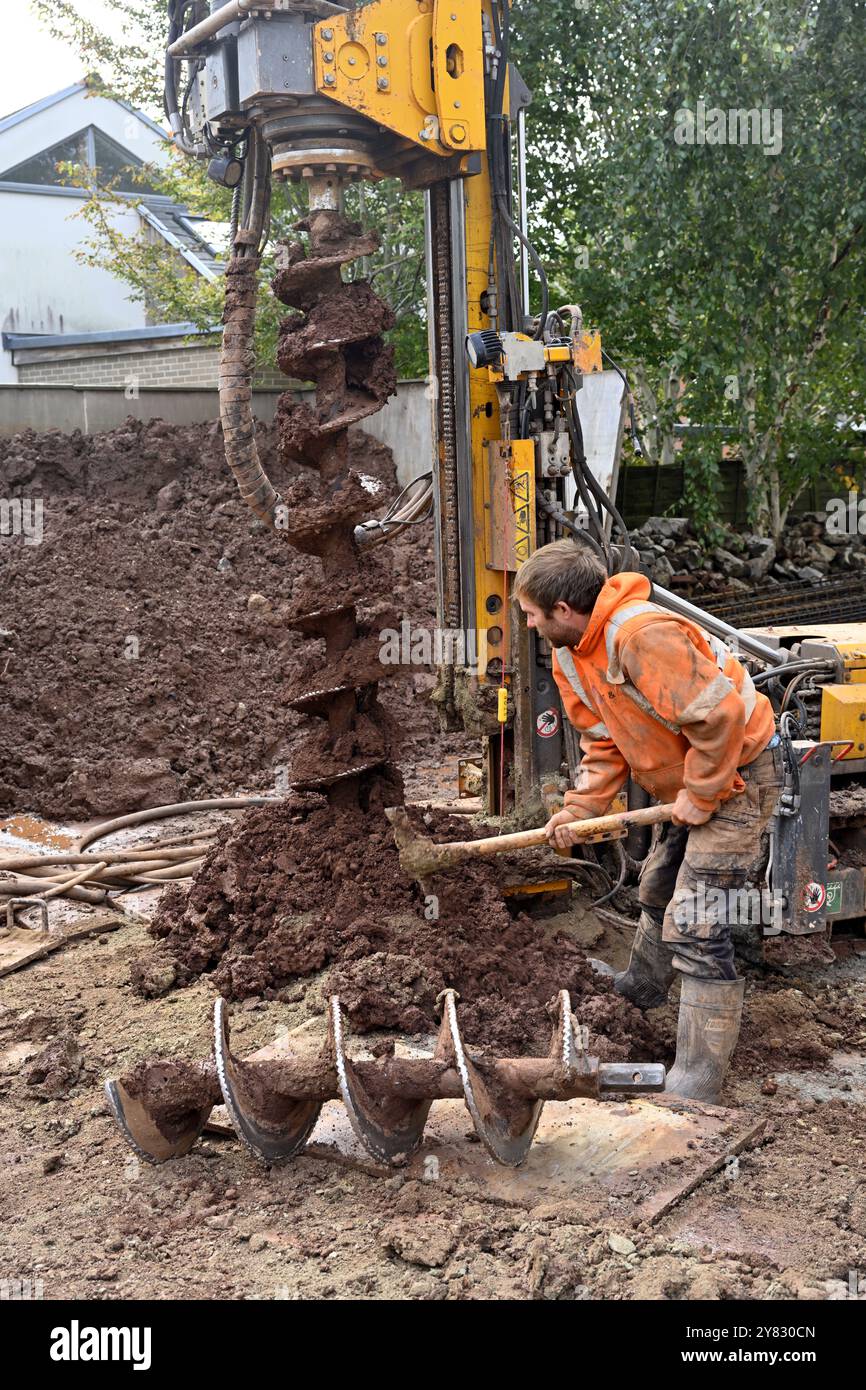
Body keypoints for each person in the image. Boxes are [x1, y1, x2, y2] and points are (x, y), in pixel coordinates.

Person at [514, 539, 782, 1103]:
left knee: (699, 918)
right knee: (659, 885)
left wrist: (703, 794)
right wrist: (578, 810)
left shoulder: (639, 636)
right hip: (693, 778)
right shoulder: (570, 654)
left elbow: (720, 717)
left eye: (534, 614)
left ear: (563, 610)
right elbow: (602, 741)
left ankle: (698, 1078)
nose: (532, 625)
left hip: (740, 768)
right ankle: (641, 987)